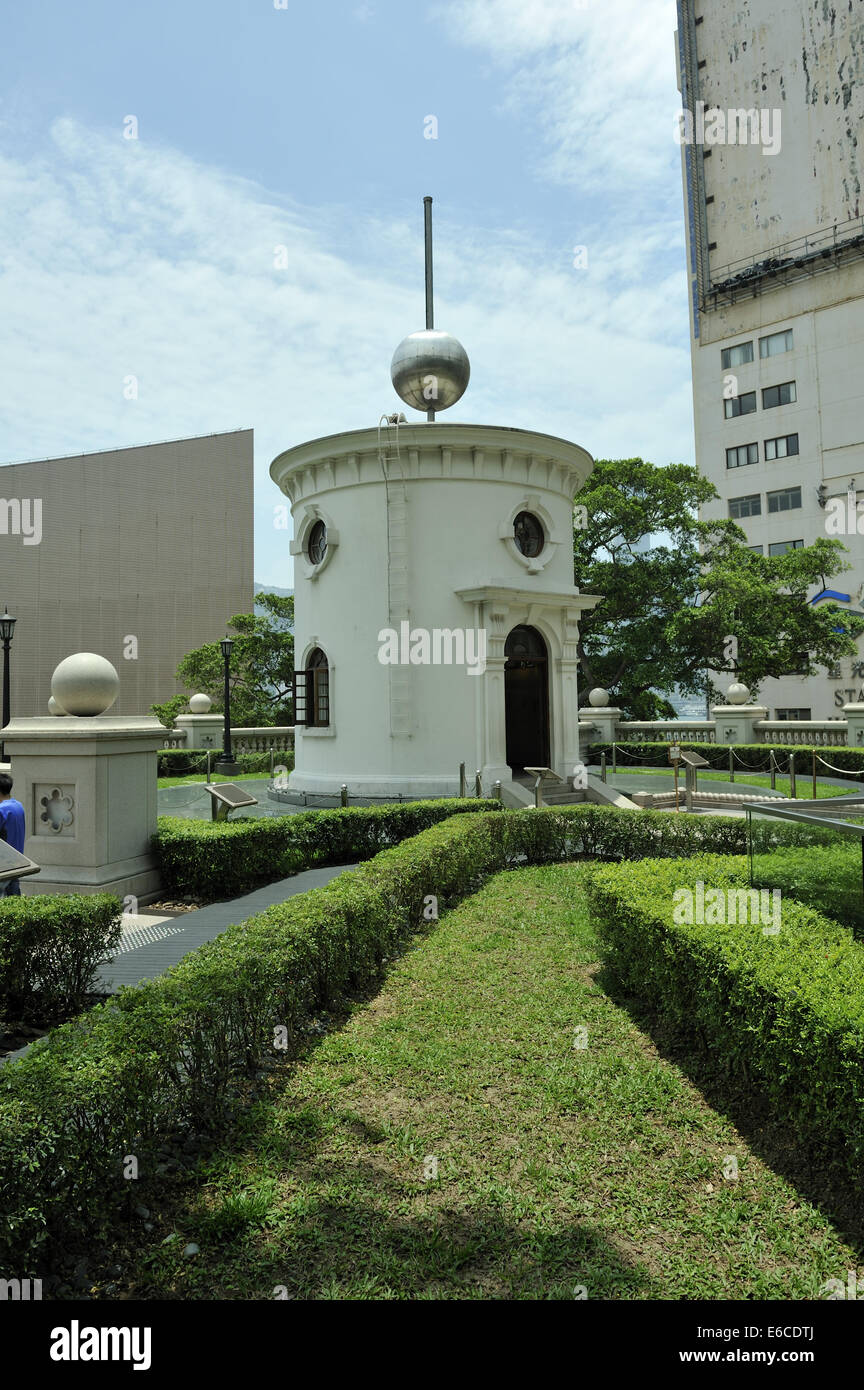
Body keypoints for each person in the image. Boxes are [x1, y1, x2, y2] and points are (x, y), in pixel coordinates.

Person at [0, 772, 26, 896]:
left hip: (3, 865)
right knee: (14, 901)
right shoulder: (18, 806)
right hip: (17, 862)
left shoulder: (2, 810)